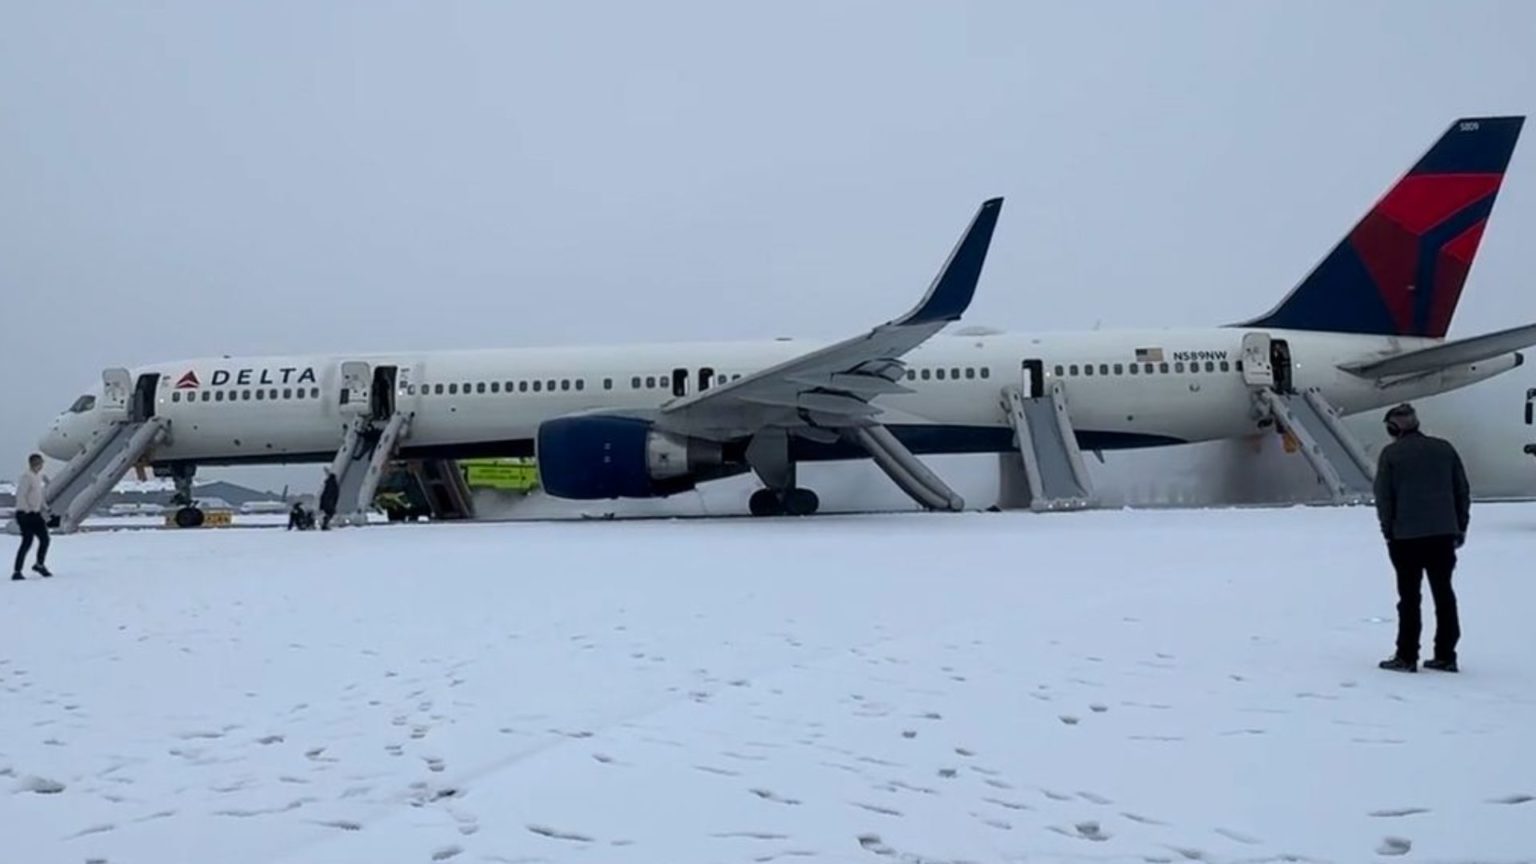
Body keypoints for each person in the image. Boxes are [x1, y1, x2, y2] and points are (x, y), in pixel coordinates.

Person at [1373, 403, 1469, 673]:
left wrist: (1388, 530)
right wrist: (1460, 526)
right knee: (1444, 594)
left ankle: (1406, 655)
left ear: (1393, 428)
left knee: (1409, 597)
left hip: (1406, 537)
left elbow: (1384, 498)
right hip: (1443, 534)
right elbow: (1461, 490)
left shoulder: (1391, 455)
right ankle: (1446, 654)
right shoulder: (1444, 449)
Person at [12, 453, 53, 581]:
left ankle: (39, 564)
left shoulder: (38, 477)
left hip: (35, 514)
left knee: (45, 539)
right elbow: (21, 496)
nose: (41, 465)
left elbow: (38, 496)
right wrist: (25, 511)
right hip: (25, 514)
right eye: (40, 463)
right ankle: (17, 571)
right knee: (27, 541)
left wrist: (46, 508)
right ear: (34, 464)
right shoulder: (26, 477)